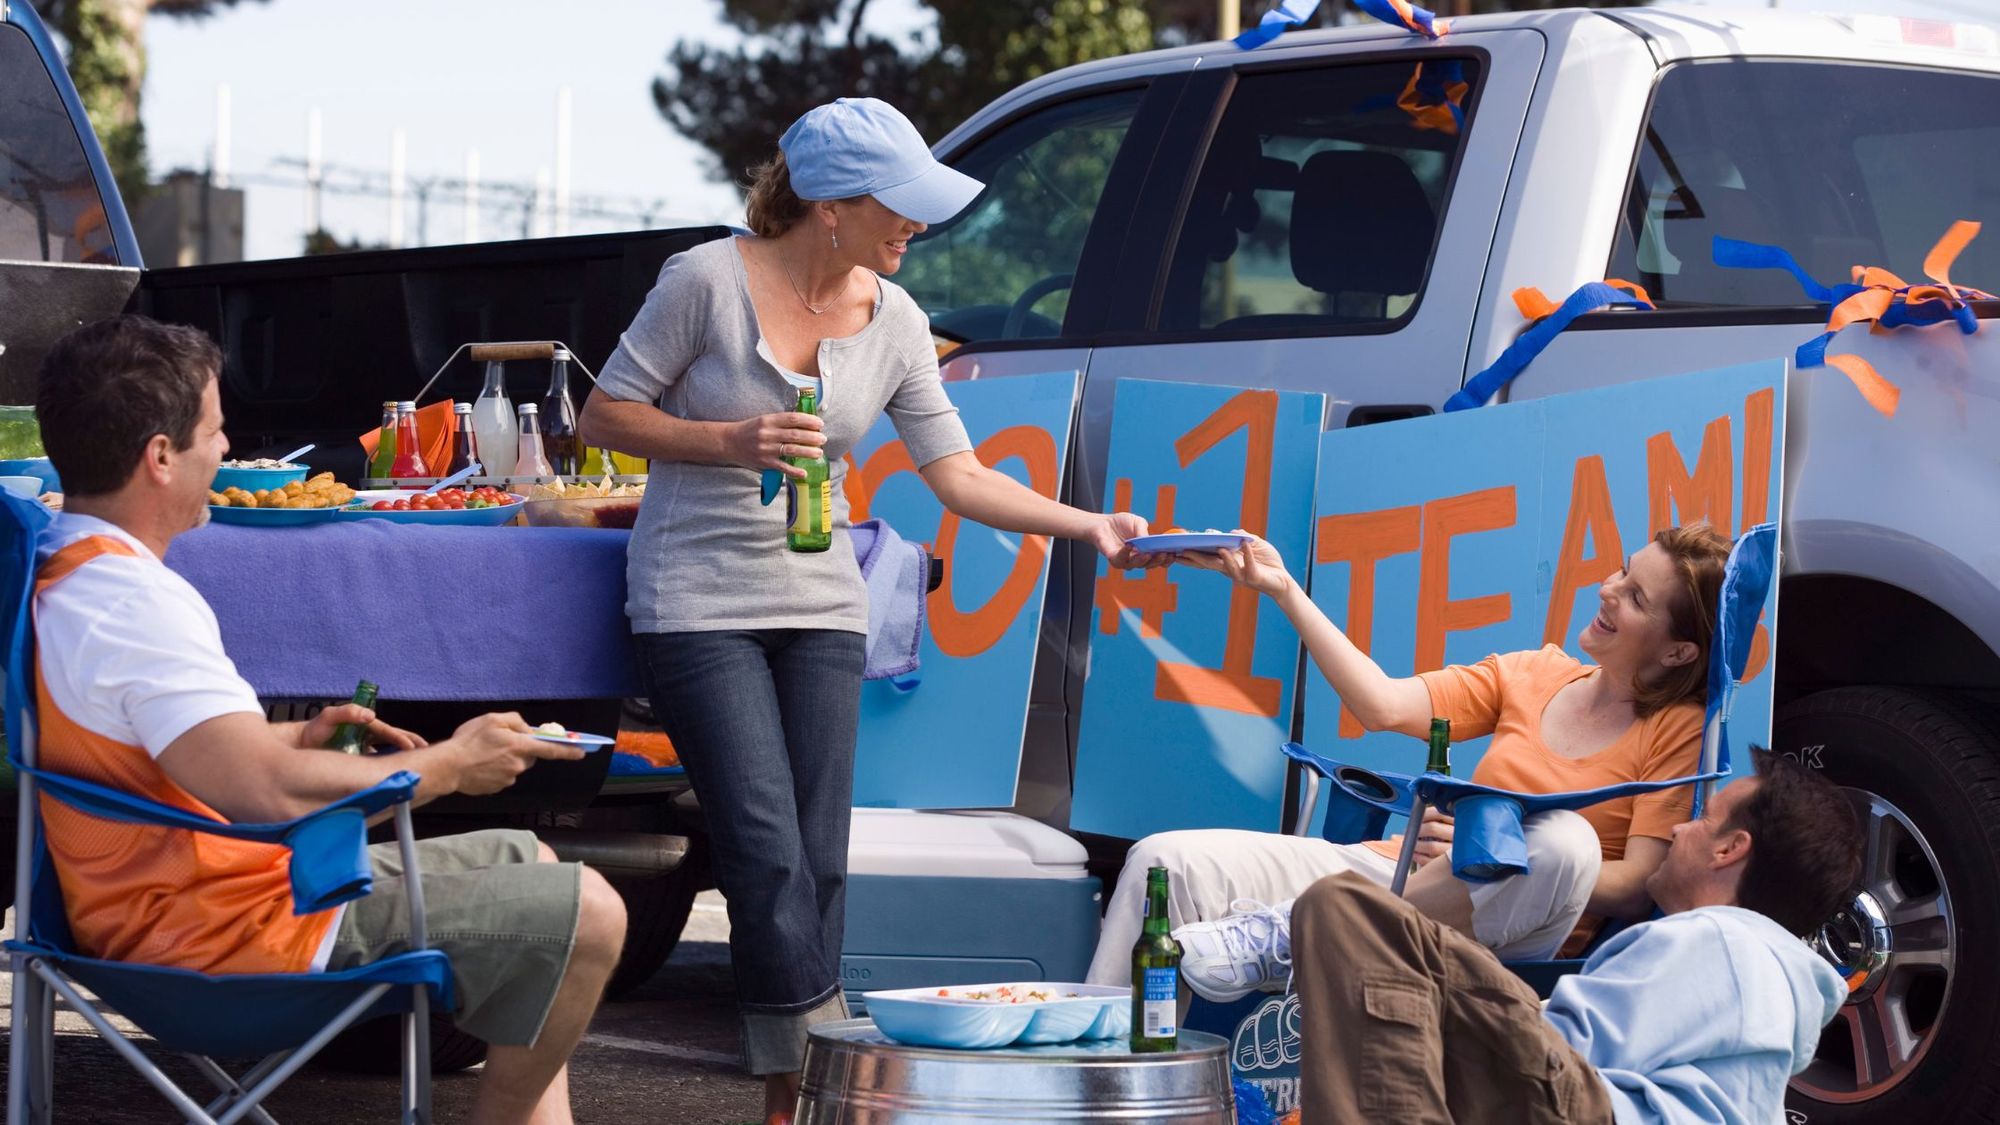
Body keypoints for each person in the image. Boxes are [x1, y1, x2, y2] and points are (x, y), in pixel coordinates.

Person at [575, 97, 1155, 1123]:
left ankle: (797, 1088)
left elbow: (961, 474)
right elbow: (602, 415)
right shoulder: (704, 282)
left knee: (819, 852)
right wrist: (730, 443)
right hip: (696, 600)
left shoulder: (893, 320)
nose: (915, 229)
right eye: (900, 207)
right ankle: (808, 1083)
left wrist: (1085, 525)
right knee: (760, 848)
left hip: (821, 598)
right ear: (830, 205)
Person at [31, 315, 627, 1125]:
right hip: (218, 939)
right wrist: (451, 763)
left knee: (532, 858)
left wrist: (291, 735)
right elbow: (268, 800)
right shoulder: (133, 604)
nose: (226, 447)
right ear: (160, 457)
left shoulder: (69, 564)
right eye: (214, 431)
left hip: (171, 902)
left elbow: (161, 746)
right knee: (590, 910)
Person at [1086, 523, 1734, 999]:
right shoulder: (1534, 672)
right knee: (1162, 862)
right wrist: (1283, 589)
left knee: (1564, 842)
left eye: (1637, 596)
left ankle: (1296, 931)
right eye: (1622, 571)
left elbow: (1638, 882)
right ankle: (1098, 1076)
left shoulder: (1674, 729)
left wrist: (1497, 852)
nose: (1608, 588)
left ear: (1679, 652)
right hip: (1396, 875)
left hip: (1509, 935)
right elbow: (1381, 704)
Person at [1290, 749, 1861, 1124]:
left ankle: (1273, 935)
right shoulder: (1773, 979)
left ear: (1728, 849)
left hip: (1586, 1109)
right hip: (1585, 1100)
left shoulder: (1719, 938)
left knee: (1348, 910)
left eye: (1703, 819)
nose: (1681, 828)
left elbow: (1575, 1048)